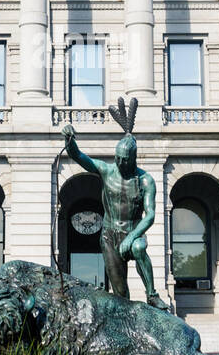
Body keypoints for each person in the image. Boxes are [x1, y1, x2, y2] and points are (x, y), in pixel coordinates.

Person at [60, 122, 170, 310]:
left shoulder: (145, 181)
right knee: (120, 293)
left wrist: (132, 236)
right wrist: (69, 141)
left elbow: (150, 215)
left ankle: (152, 295)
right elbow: (78, 156)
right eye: (117, 157)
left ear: (133, 158)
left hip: (133, 230)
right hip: (109, 234)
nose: (120, 162)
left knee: (137, 248)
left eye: (125, 159)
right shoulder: (106, 170)